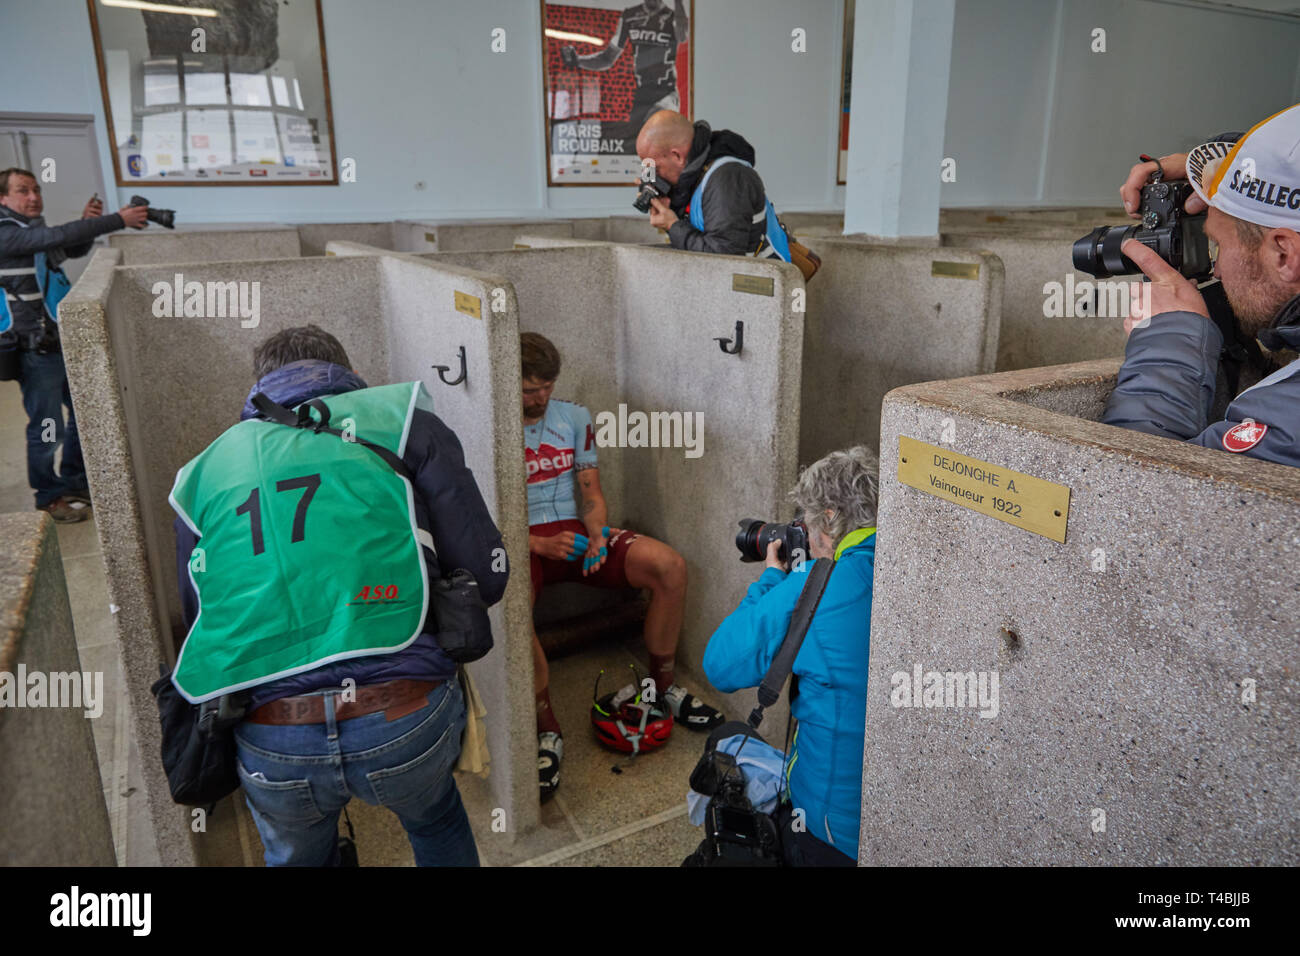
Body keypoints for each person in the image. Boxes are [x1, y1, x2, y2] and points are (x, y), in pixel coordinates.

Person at [169, 325, 507, 866]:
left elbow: (201, 615)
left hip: (273, 736)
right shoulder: (402, 425)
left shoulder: (203, 471)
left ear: (263, 385)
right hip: (405, 714)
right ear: (346, 374)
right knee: (435, 819)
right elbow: (485, 576)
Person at [521, 331, 722, 798]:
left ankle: (662, 684)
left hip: (572, 532)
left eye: (547, 387)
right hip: (521, 540)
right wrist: (534, 544)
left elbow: (590, 492)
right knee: (512, 608)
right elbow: (482, 514)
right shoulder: (489, 424)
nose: (540, 398)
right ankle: (543, 723)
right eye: (530, 389)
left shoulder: (572, 417)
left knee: (669, 566)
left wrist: (596, 532)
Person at [702, 446, 880, 866]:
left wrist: (771, 577)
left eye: (811, 521)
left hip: (830, 834)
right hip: (906, 821)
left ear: (831, 517)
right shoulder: (922, 564)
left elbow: (720, 664)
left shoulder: (816, 587)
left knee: (724, 737)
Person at [1103, 104, 1300, 466]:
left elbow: (1135, 498)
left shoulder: (1287, 423)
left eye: (1219, 244)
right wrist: (1226, 166)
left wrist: (1170, 347)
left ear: (1285, 254)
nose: (1217, 269)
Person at [0, 168, 147, 521]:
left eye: (36, 189)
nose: (33, 197)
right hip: (33, 351)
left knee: (82, 414)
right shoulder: (6, 234)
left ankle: (74, 480)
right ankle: (49, 497)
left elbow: (65, 247)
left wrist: (87, 222)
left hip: (57, 342)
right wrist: (116, 220)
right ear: (3, 199)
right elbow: (56, 237)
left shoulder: (32, 233)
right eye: (23, 191)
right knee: (47, 426)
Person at [635, 109, 788, 260]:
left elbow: (724, 257)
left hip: (764, 280)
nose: (652, 176)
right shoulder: (697, 178)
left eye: (654, 168)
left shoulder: (727, 178)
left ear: (677, 156)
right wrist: (670, 210)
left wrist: (673, 226)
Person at [560, 0, 688, 138]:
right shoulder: (629, 15)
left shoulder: (673, 16)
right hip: (641, 96)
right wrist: (578, 60)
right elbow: (607, 58)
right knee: (640, 148)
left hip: (666, 93)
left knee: (659, 133)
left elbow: (683, 36)